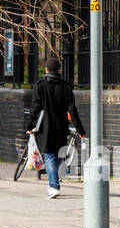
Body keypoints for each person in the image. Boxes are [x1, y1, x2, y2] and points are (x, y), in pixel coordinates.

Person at [27, 55, 86, 199]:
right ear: (58, 70)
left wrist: (29, 125)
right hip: (61, 127)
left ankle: (54, 186)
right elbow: (72, 110)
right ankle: (53, 183)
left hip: (45, 128)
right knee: (56, 156)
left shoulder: (40, 86)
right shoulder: (66, 87)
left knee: (49, 156)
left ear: (46, 69)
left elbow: (34, 108)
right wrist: (80, 130)